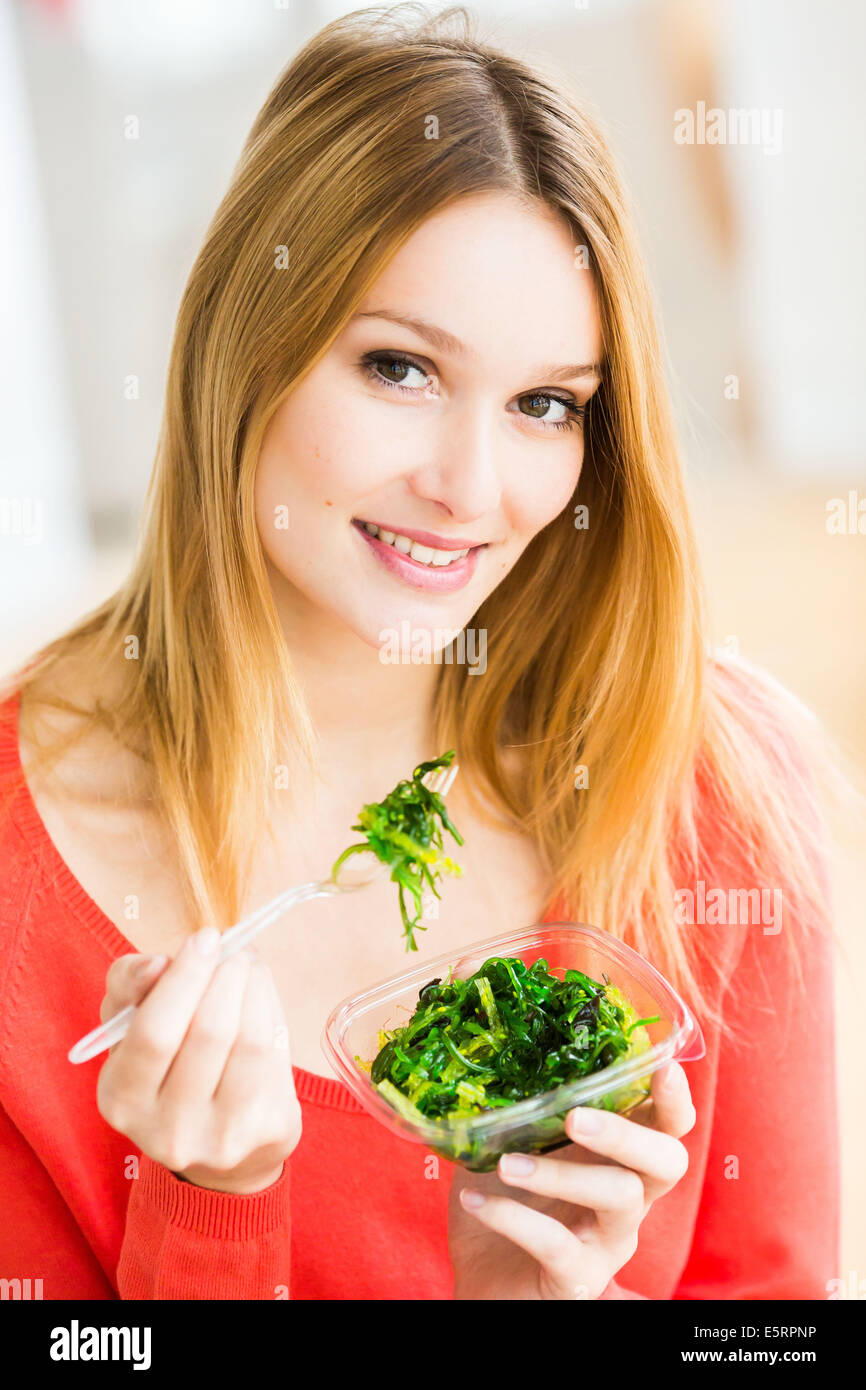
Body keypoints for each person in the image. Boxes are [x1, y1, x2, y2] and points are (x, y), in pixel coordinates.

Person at [0, 4, 841, 1300]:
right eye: (398, 368)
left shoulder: (716, 783)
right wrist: (208, 1218)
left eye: (544, 403)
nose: (469, 484)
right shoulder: (18, 871)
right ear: (244, 350)